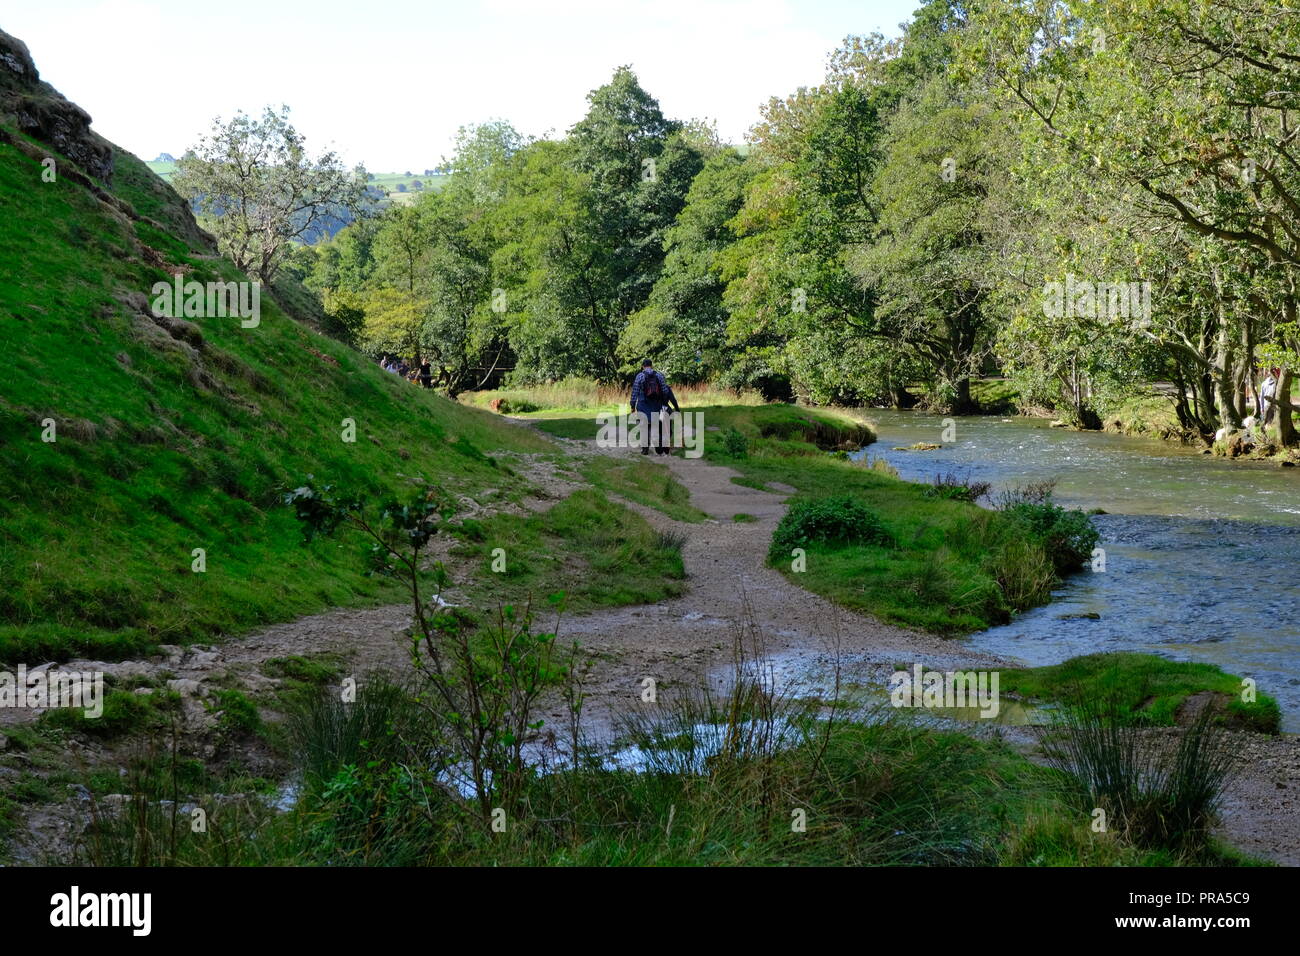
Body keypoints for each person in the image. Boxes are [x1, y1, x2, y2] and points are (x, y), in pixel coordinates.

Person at [629, 358, 680, 455]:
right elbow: (665, 391)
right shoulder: (659, 375)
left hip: (643, 405)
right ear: (651, 365)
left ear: (642, 366)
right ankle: (659, 445)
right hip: (656, 405)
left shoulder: (639, 376)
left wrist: (632, 406)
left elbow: (634, 393)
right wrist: (663, 403)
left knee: (644, 426)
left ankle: (645, 449)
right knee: (657, 425)